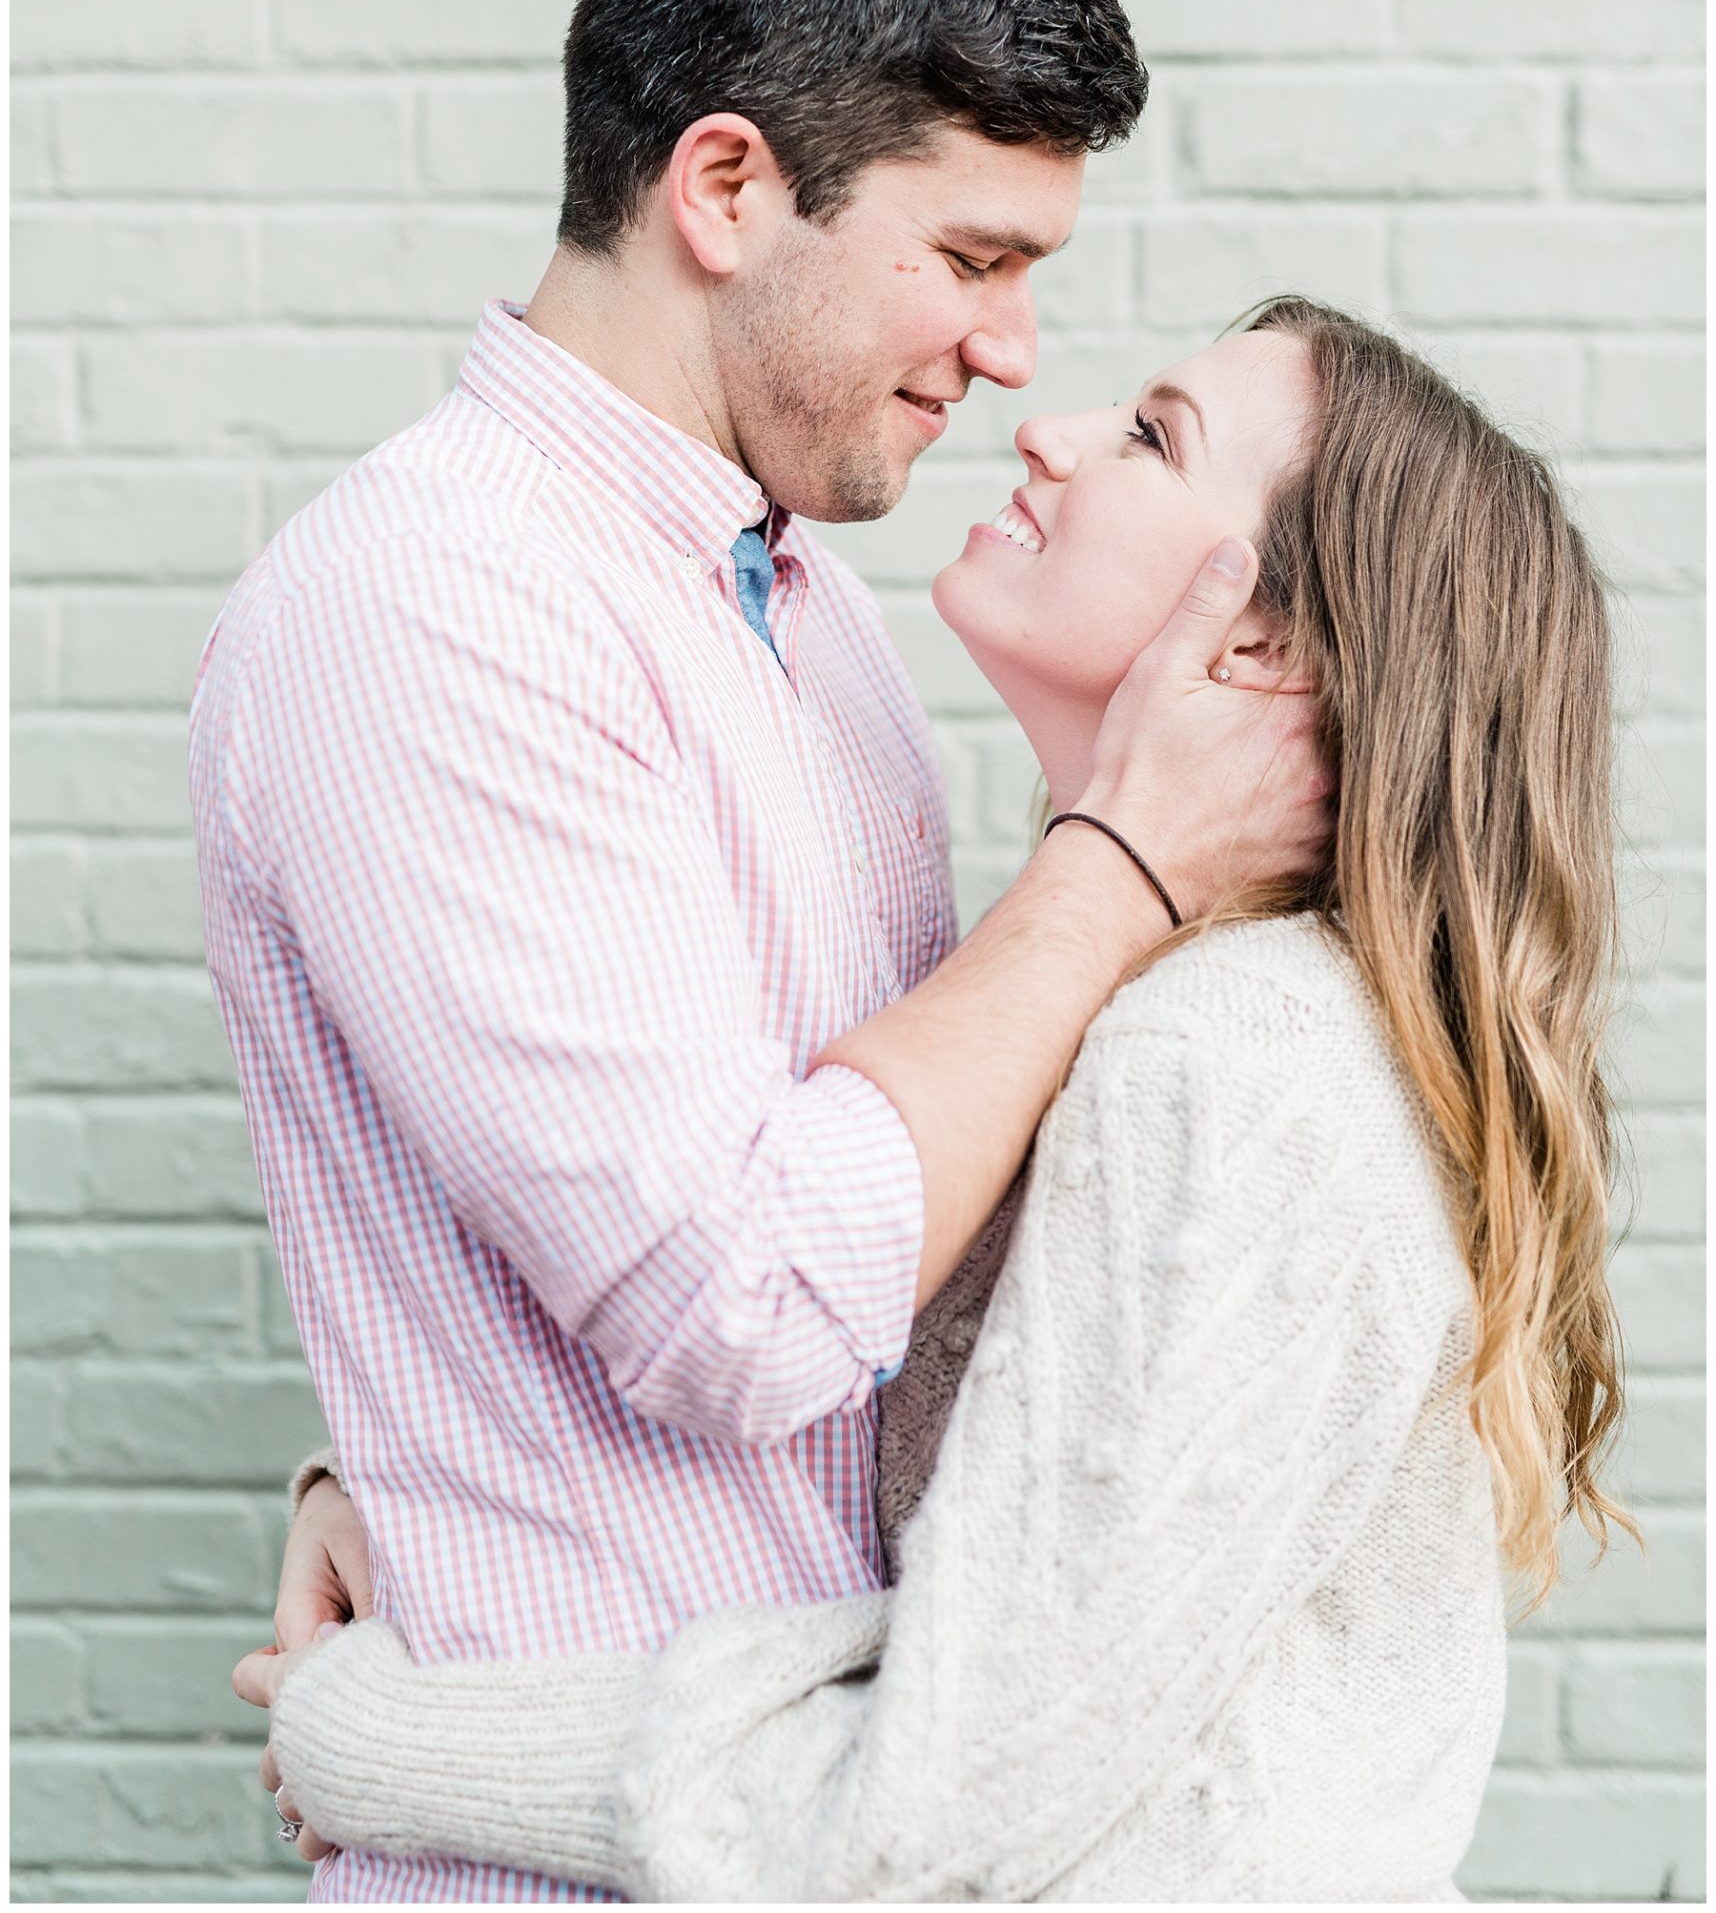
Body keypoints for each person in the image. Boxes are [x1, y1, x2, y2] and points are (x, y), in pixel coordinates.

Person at [190, 0, 1326, 1903]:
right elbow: (749, 1302)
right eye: (973, 258)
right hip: (578, 1861)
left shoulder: (806, 613)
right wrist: (1123, 859)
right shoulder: (428, 603)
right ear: (726, 183)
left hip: (824, 1827)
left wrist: (404, 1438)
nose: (1012, 352)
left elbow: (844, 1232)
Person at [238, 298, 1632, 1903]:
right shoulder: (1137, 999)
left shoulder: (1229, 1064)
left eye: (1152, 437)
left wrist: (388, 1745)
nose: (1044, 421)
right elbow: (750, 1209)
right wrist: (407, 1498)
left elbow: (945, 1801)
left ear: (1256, 642)